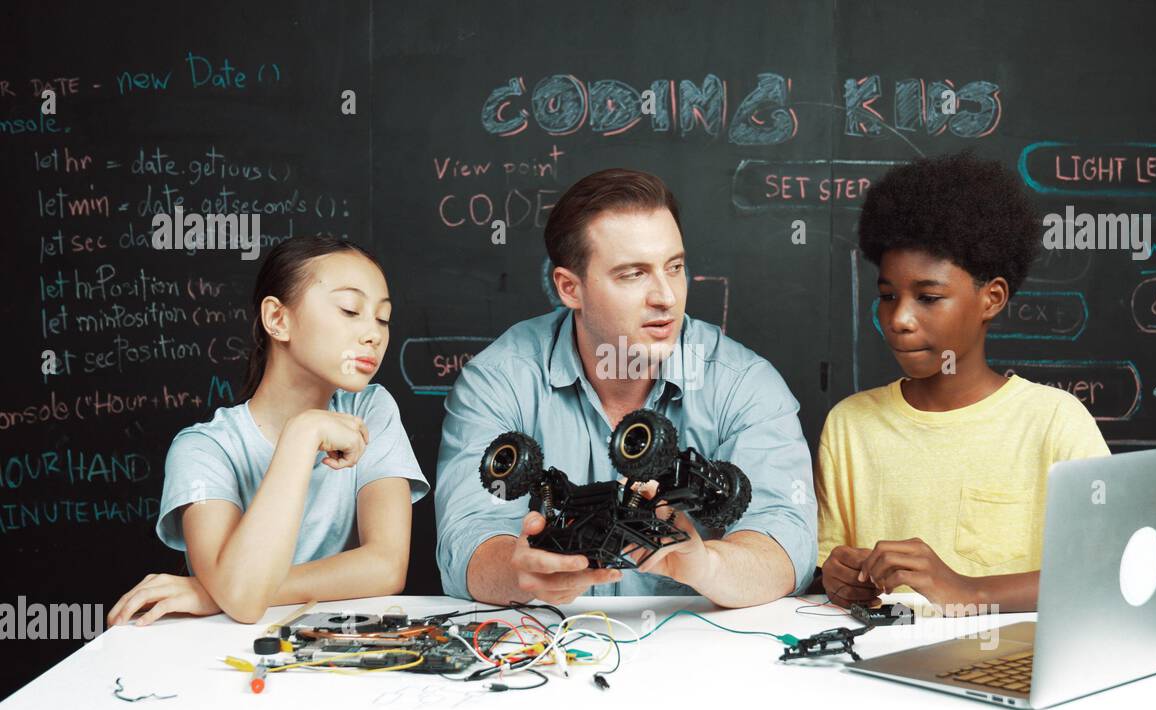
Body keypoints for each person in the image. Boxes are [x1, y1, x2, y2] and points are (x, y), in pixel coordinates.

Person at [436, 168, 816, 607]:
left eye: (674, 267)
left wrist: (706, 565)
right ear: (569, 287)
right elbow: (465, 541)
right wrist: (519, 571)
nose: (667, 297)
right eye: (633, 274)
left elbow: (788, 543)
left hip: (689, 655)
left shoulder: (743, 383)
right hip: (547, 650)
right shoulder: (500, 380)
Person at [816, 151, 1110, 613]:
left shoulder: (1054, 422)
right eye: (888, 296)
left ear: (991, 299)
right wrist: (834, 577)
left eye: (929, 297)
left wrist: (967, 591)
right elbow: (829, 563)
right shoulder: (850, 426)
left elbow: (1104, 571)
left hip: (1011, 667)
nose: (900, 319)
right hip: (874, 669)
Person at [108, 236, 429, 626]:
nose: (374, 334)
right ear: (278, 319)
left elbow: (386, 566)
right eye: (350, 310)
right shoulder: (203, 450)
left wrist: (215, 592)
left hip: (340, 650)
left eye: (382, 318)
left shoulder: (371, 409)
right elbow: (242, 602)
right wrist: (302, 435)